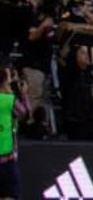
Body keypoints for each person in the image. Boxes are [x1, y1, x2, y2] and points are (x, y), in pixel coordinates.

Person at [0, 65, 31, 200]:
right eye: (9, 77)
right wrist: (23, 94)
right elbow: (26, 115)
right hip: (5, 160)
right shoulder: (8, 100)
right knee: (10, 194)